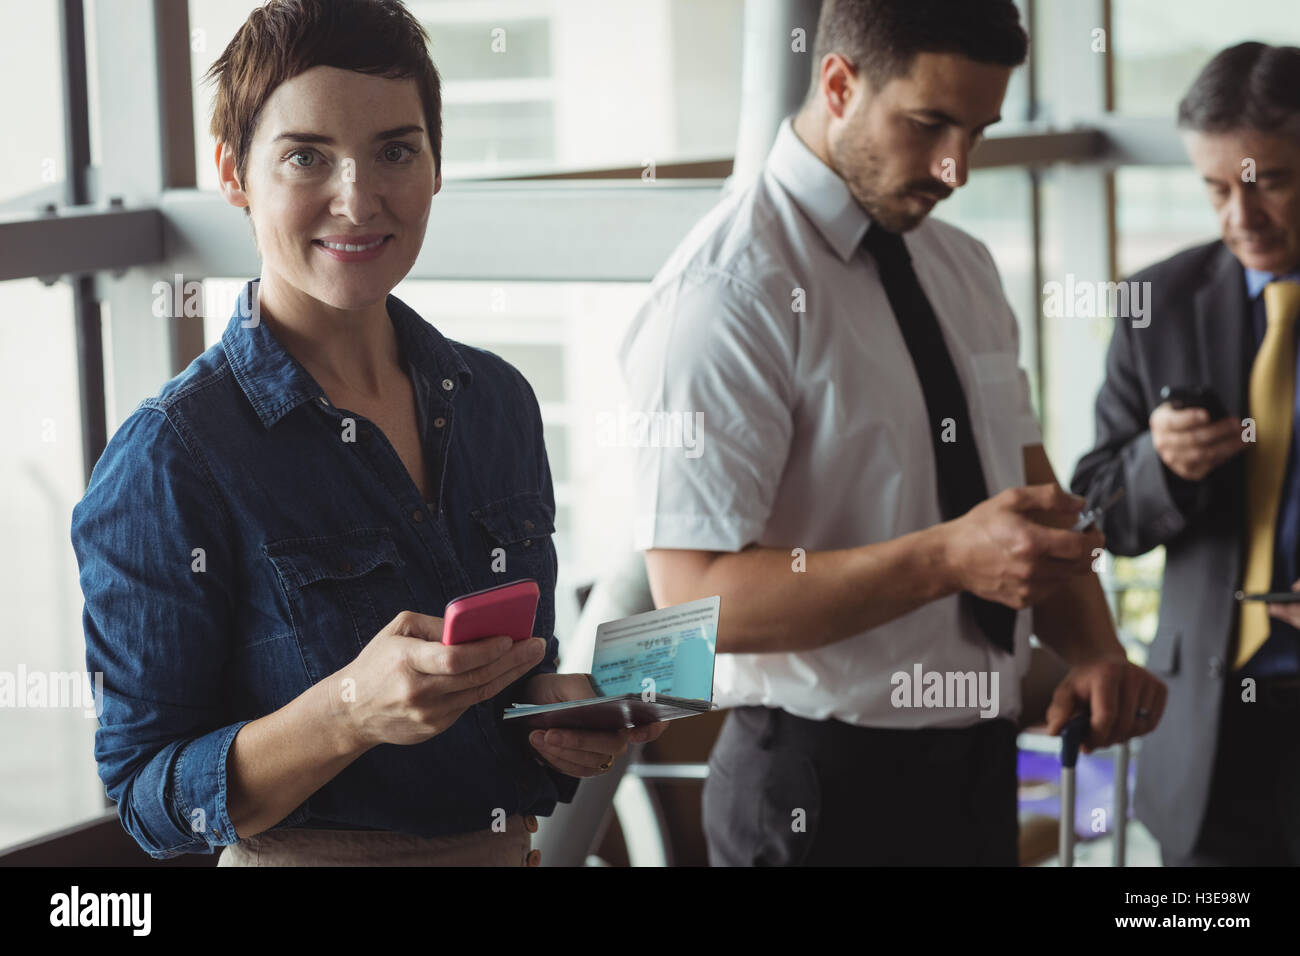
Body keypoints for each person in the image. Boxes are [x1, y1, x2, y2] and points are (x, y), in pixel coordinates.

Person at [69, 0, 664, 867]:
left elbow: (508, 671)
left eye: (395, 151)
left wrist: (551, 711)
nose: (358, 200)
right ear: (234, 174)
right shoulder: (171, 456)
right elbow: (147, 799)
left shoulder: (497, 399)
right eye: (307, 156)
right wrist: (347, 710)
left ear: (434, 165)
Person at [618, 0, 1166, 866]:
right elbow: (691, 602)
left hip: (978, 772)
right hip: (813, 793)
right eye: (929, 123)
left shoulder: (963, 266)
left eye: (979, 132)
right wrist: (946, 559)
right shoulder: (728, 294)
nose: (957, 168)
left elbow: (1028, 497)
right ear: (838, 82)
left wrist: (1095, 650)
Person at [1072, 42, 1300, 866]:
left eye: (1267, 180)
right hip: (1206, 731)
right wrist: (1160, 465)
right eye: (1215, 188)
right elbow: (1093, 513)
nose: (1240, 215)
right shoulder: (1156, 305)